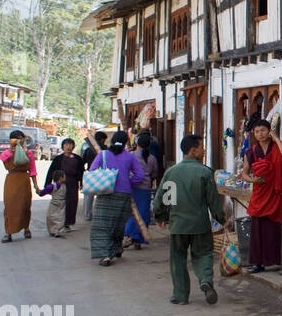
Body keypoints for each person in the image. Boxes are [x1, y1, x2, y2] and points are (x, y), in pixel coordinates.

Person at [154, 133, 227, 305]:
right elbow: (213, 202)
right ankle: (205, 279)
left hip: (177, 224)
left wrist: (161, 216)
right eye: (202, 147)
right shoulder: (205, 172)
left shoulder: (171, 172)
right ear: (193, 151)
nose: (203, 150)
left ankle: (180, 295)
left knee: (177, 258)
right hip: (199, 224)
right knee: (203, 254)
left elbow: (163, 198)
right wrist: (222, 219)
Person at [239, 118, 282, 273]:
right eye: (257, 131)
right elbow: (244, 174)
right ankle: (258, 263)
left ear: (269, 131)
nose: (260, 134)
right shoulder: (251, 151)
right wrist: (253, 180)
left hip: (277, 192)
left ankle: (281, 260)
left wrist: (276, 138)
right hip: (260, 193)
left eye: (263, 131)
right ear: (253, 133)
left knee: (277, 227)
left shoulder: (280, 147)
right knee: (258, 230)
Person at [87, 130, 145, 266]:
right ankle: (117, 248)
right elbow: (140, 176)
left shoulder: (103, 154)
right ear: (126, 143)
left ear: (112, 141)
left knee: (102, 225)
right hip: (123, 194)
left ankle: (105, 256)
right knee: (118, 224)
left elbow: (92, 171)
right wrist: (127, 182)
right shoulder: (130, 157)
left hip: (105, 192)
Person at [0, 130, 39, 242]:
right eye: (16, 138)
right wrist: (12, 149)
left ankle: (26, 228)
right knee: (9, 207)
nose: (20, 140)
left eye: (21, 138)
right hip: (11, 181)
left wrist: (36, 185)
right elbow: (2, 158)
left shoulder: (28, 153)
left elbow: (32, 170)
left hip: (24, 181)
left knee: (25, 206)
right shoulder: (8, 152)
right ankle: (8, 232)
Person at [123, 132, 160, 250]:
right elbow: (155, 173)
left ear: (137, 142)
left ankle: (129, 235)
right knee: (143, 213)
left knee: (131, 213)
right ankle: (138, 238)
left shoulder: (131, 155)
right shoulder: (152, 158)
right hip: (145, 188)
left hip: (132, 188)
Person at [46, 138, 84, 231]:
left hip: (72, 183)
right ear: (62, 146)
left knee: (72, 203)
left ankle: (68, 223)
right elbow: (51, 171)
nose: (68, 147)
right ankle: (58, 223)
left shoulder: (77, 158)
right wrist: (48, 184)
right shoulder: (58, 159)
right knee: (60, 203)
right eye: (66, 145)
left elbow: (82, 172)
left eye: (70, 145)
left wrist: (82, 184)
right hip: (60, 183)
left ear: (73, 146)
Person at [81, 131, 107, 222]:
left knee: (88, 197)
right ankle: (102, 215)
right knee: (103, 197)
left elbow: (82, 162)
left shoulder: (88, 150)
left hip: (91, 174)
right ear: (102, 139)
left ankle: (88, 215)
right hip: (103, 174)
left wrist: (84, 173)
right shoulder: (105, 150)